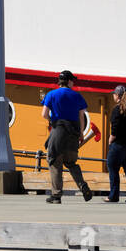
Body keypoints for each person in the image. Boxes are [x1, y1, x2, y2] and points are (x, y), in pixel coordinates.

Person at [41, 70, 93, 203]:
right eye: (72, 80)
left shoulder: (51, 94)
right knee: (71, 163)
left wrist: (52, 122)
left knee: (55, 162)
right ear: (69, 81)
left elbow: (44, 114)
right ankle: (83, 186)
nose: (73, 83)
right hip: (73, 132)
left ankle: (56, 196)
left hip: (58, 131)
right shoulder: (77, 96)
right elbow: (82, 116)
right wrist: (81, 133)